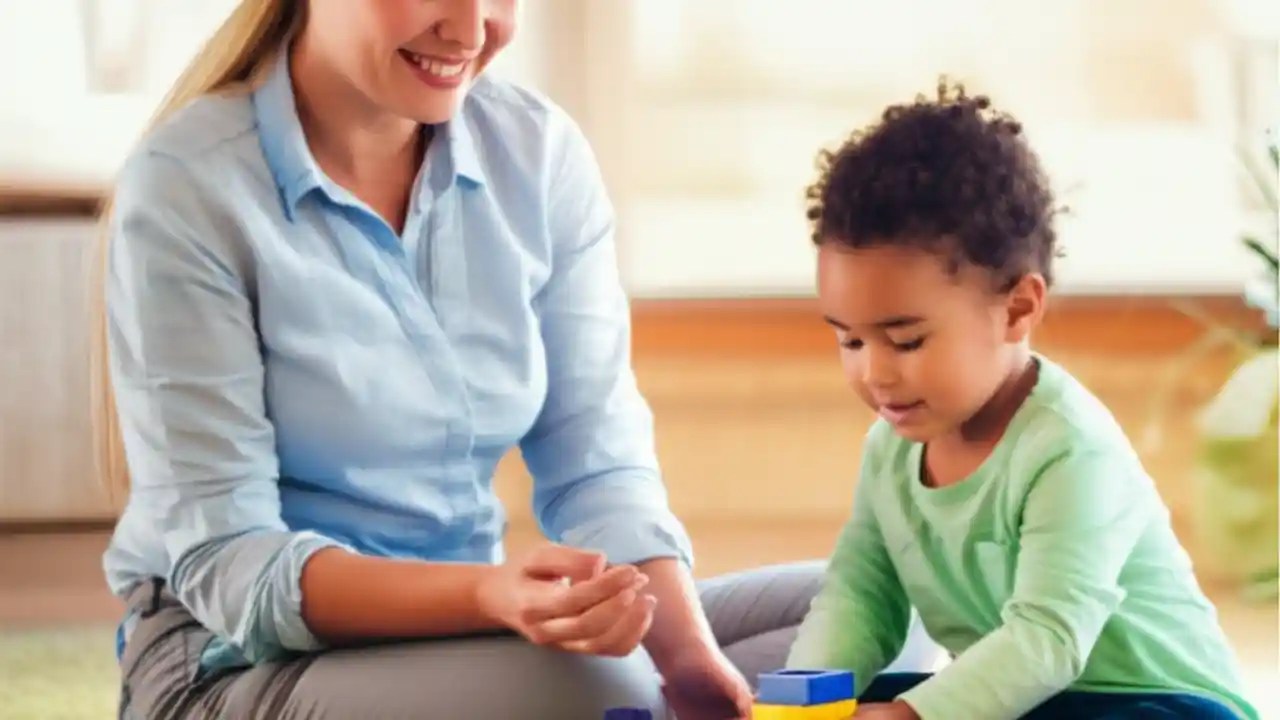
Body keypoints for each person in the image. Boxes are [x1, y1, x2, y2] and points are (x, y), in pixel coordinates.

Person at [84, 1, 916, 717]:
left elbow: (596, 464)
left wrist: (688, 659)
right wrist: (490, 595)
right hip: (235, 664)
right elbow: (234, 569)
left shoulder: (537, 154)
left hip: (471, 639)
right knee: (589, 691)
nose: (472, 28)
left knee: (893, 614)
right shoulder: (189, 187)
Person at [783, 80, 1259, 720]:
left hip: (1157, 704)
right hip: (1035, 702)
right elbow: (861, 596)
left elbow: (1048, 639)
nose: (875, 374)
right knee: (867, 702)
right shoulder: (891, 450)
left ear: (1018, 308)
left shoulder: (1068, 448)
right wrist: (805, 700)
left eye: (905, 340)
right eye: (848, 341)